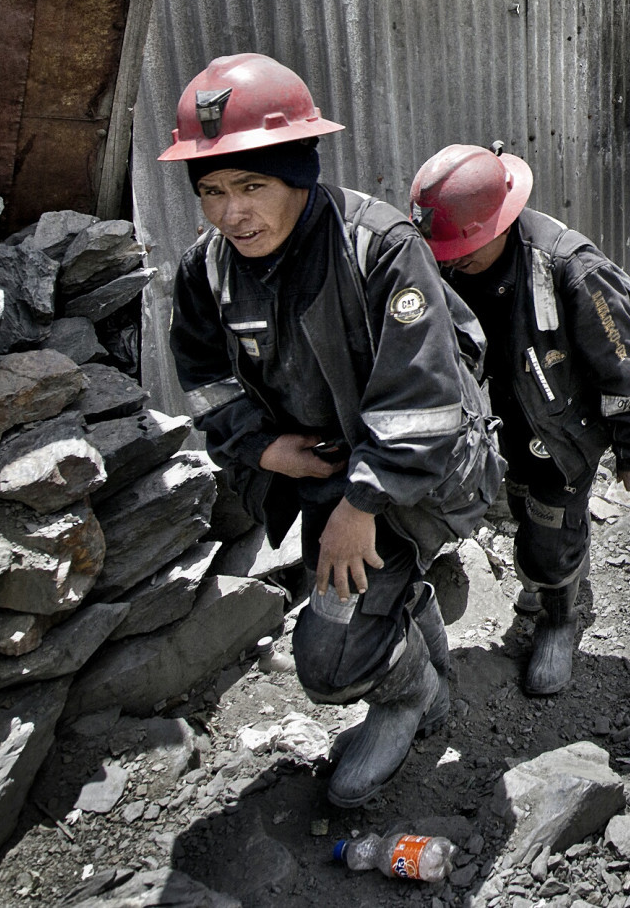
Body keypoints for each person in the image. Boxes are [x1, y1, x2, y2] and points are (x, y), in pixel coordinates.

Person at [165, 53, 503, 809]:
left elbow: (425, 399)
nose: (231, 213)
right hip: (324, 477)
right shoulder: (208, 271)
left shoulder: (378, 247)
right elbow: (205, 377)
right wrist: (259, 445)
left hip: (417, 475)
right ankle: (414, 664)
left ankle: (403, 695)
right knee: (338, 637)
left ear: (300, 175)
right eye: (213, 191)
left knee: (324, 664)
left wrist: (360, 508)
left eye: (252, 186)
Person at [413, 141, 630, 696]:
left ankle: (559, 619)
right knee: (525, 513)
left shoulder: (568, 269)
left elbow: (624, 366)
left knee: (550, 528)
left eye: (462, 253)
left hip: (563, 430)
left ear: (499, 224)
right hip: (505, 420)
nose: (452, 263)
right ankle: (555, 577)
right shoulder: (452, 263)